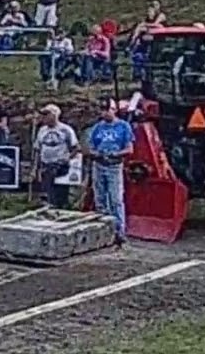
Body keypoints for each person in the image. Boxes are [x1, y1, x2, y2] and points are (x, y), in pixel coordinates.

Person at [87, 99, 135, 245]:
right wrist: (95, 153)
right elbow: (89, 147)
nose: (104, 113)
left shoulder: (123, 127)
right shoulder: (97, 128)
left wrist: (116, 154)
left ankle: (120, 231)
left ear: (113, 110)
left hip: (114, 165)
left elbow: (129, 149)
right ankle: (102, 231)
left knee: (115, 199)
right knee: (100, 199)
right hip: (99, 164)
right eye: (102, 110)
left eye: (107, 109)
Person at [33, 104, 80, 208]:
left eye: (47, 114)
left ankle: (59, 207)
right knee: (47, 189)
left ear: (54, 115)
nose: (44, 117)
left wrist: (67, 158)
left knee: (60, 192)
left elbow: (76, 147)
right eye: (43, 115)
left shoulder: (66, 130)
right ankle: (50, 207)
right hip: (46, 164)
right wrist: (36, 168)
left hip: (60, 165)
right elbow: (37, 149)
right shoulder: (42, 130)